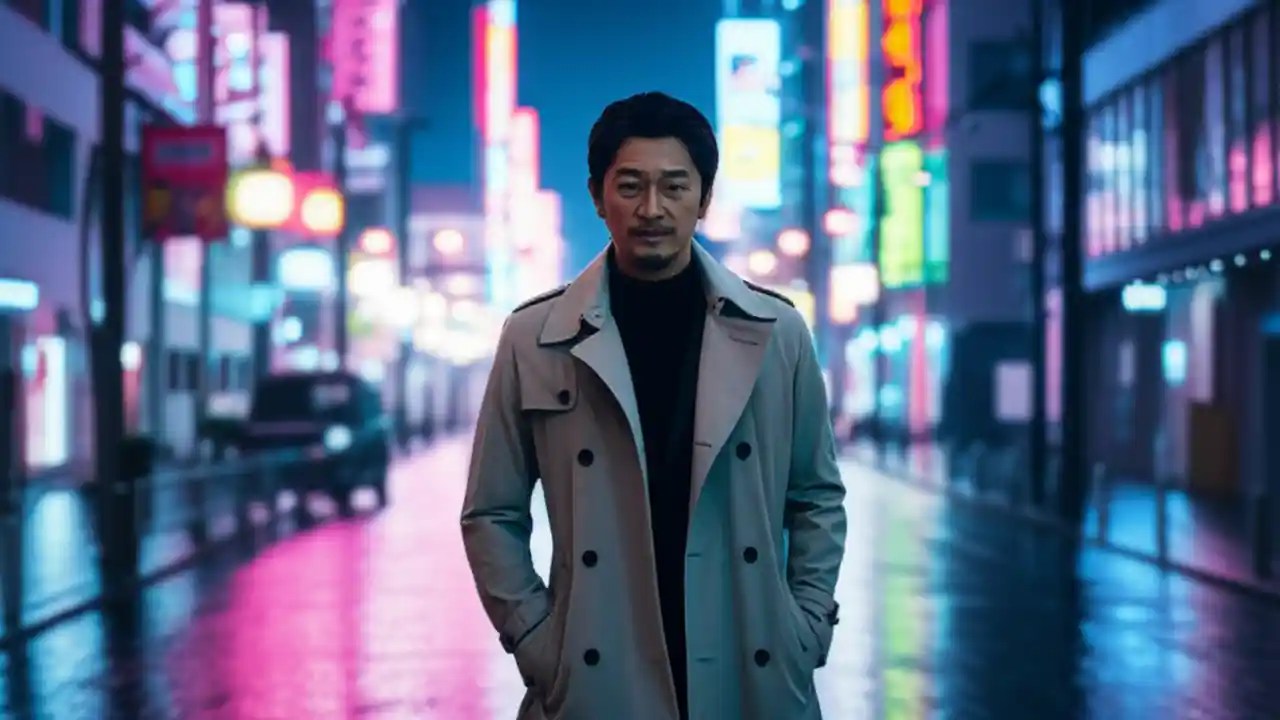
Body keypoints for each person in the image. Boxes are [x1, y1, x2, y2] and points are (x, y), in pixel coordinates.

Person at [461, 91, 847, 720]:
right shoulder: (536, 337)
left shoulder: (776, 331)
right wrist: (536, 640)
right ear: (597, 195)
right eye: (630, 185)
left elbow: (816, 497)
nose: (652, 209)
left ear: (704, 198)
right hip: (594, 666)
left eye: (674, 186)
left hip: (752, 657)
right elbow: (491, 511)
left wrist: (804, 627)